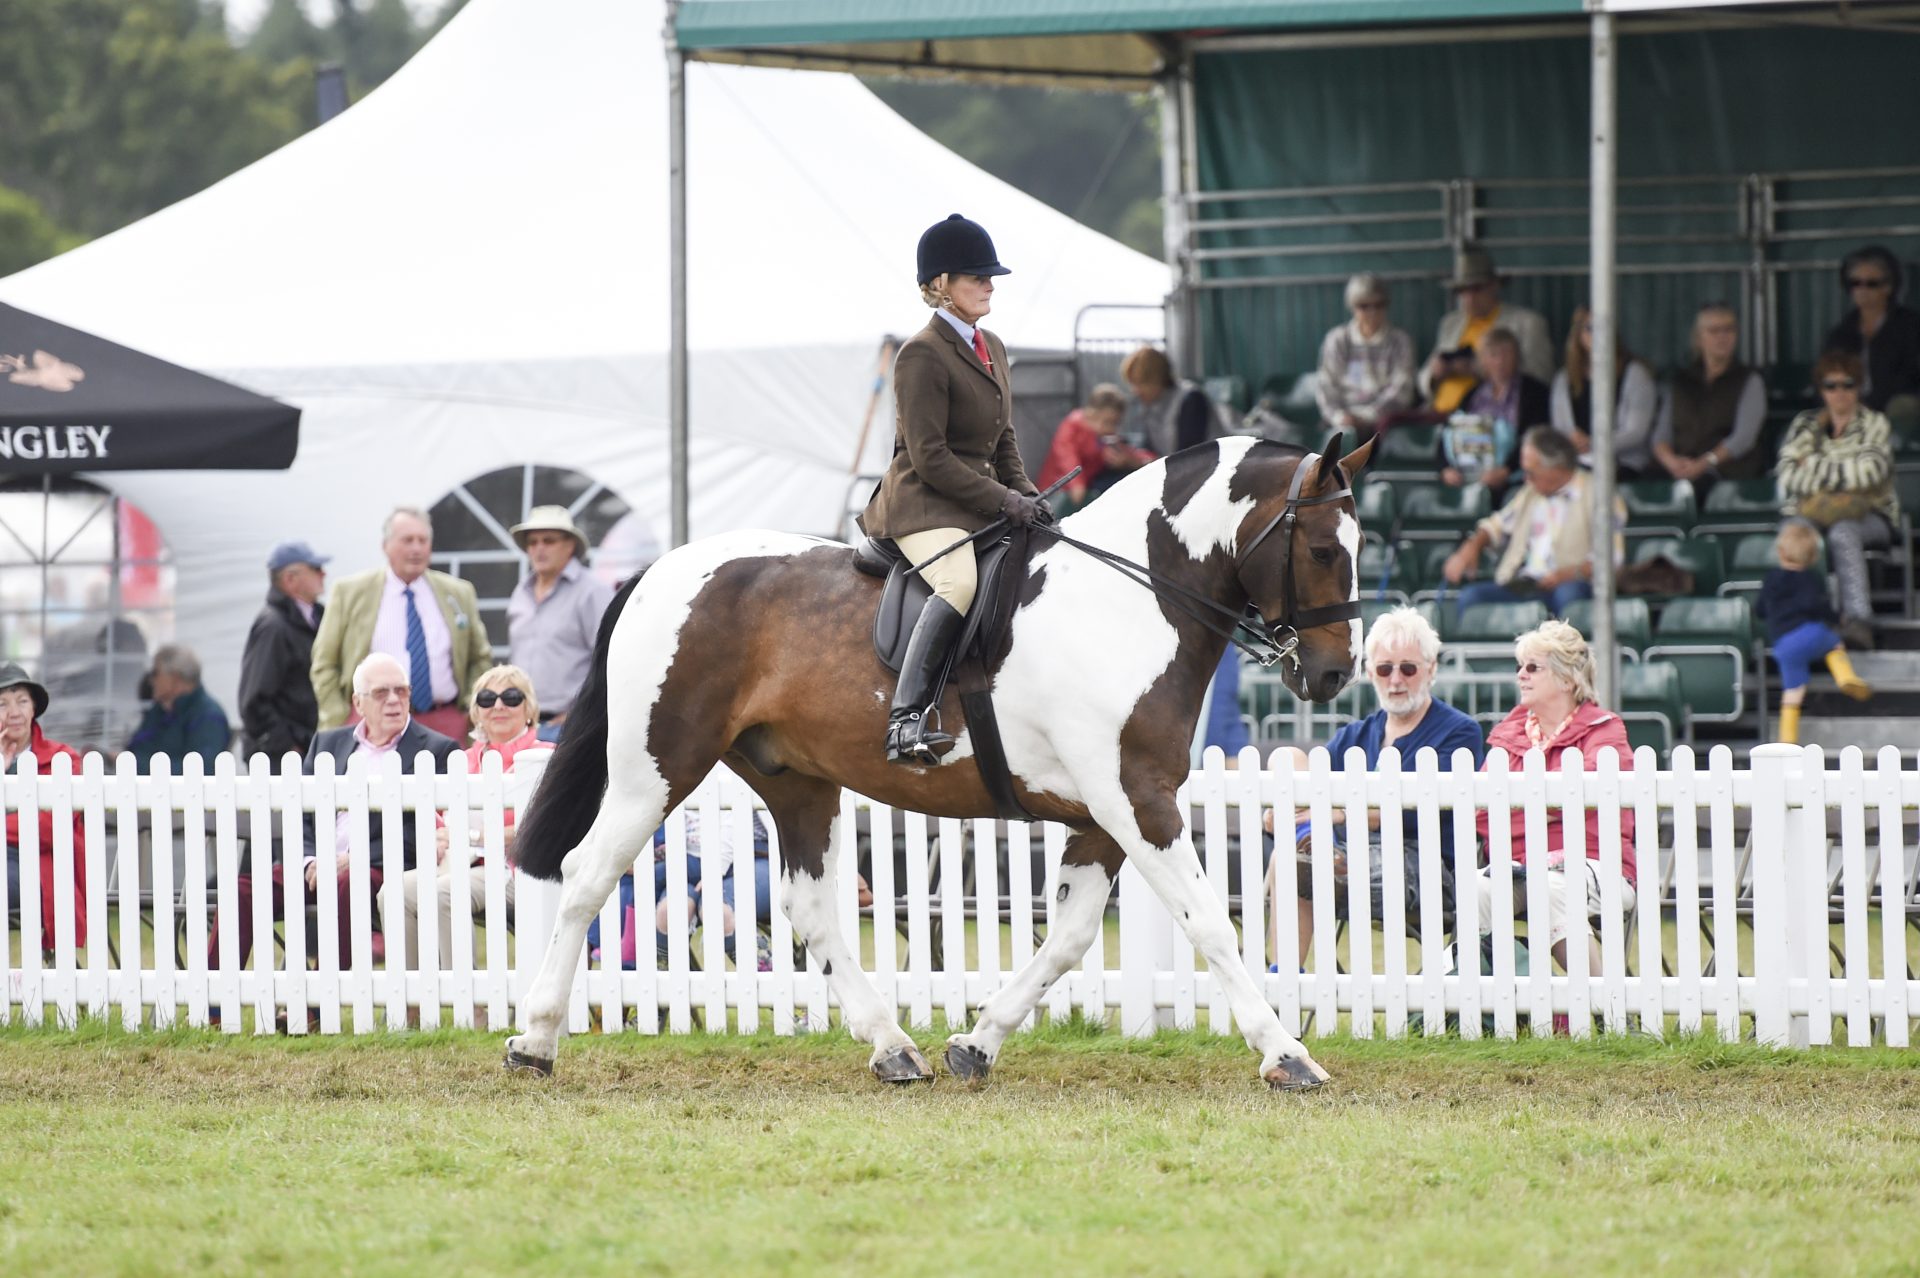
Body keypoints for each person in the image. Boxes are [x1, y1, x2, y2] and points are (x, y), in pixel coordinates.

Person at [858, 213, 1047, 764]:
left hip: (977, 501)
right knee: (959, 582)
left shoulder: (993, 346)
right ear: (941, 284)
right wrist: (1003, 499)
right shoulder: (921, 353)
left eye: (990, 277)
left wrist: (1029, 495)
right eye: (976, 277)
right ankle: (906, 719)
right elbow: (930, 457)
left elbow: (1003, 438)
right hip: (924, 502)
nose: (989, 285)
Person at [1261, 608, 1485, 967]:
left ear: (1431, 670)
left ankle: (1282, 974)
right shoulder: (1355, 735)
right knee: (1287, 758)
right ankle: (1284, 975)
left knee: (1292, 860)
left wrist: (1332, 812)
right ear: (1369, 673)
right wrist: (1283, 811)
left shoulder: (1460, 732)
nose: (1396, 680)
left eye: (1408, 668)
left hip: (1422, 865)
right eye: (1384, 669)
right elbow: (1313, 786)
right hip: (1344, 854)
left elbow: (1414, 810)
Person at [214, 652, 461, 974]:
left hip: (380, 867)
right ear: (358, 703)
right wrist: (311, 860)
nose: (393, 700)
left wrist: (354, 858)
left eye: (401, 691)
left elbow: (419, 833)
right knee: (243, 889)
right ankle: (213, 995)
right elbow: (298, 814)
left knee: (349, 883)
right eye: (381, 692)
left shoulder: (437, 750)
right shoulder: (327, 744)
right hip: (316, 865)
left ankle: (321, 995)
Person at [1470, 620, 1636, 980]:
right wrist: (1551, 810)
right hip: (1516, 866)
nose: (1521, 675)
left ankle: (1600, 1000)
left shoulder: (1605, 730)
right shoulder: (1507, 736)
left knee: (1552, 887)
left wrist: (1519, 806)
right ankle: (1499, 1002)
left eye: (1533, 667)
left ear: (1566, 679)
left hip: (1597, 866)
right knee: (1476, 888)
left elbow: (1591, 796)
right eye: (1519, 666)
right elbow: (1483, 813)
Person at [378, 663, 539, 975]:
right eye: (487, 699)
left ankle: (465, 998)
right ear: (476, 711)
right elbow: (439, 820)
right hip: (459, 865)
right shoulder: (462, 761)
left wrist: (478, 836)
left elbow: (542, 828)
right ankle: (412, 997)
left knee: (447, 891)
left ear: (529, 708)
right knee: (394, 892)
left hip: (521, 872)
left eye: (511, 697)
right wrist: (439, 837)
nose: (499, 706)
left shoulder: (544, 755)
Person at [310, 506, 494, 741]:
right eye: (407, 540)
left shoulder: (458, 593)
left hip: (445, 722)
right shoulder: (350, 592)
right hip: (372, 724)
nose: (416, 548)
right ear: (385, 545)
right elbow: (324, 663)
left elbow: (479, 658)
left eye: (423, 540)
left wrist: (470, 707)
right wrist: (338, 716)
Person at [1776, 349, 1898, 651]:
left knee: (1843, 533)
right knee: (1794, 533)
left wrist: (1814, 467)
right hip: (1812, 514)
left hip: (1870, 515)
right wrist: (1843, 472)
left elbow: (1869, 474)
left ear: (1859, 387)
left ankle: (1858, 622)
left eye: (1848, 384)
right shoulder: (1804, 425)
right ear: (1821, 390)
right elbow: (1788, 474)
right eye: (1831, 385)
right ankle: (1802, 620)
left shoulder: (1874, 423)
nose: (1839, 392)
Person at [1442, 425, 1625, 619]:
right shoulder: (1530, 493)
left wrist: (1569, 574)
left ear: (1555, 468)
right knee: (1472, 598)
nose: (1526, 479)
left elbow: (1611, 557)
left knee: (1568, 595)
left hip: (1572, 585)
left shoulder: (1599, 493)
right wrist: (1470, 547)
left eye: (1531, 472)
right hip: (1526, 584)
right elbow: (1496, 525)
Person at [504, 506, 614, 743]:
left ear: (570, 545)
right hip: (520, 726)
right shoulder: (521, 591)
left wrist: (578, 712)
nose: (539, 548)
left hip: (573, 727)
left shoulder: (592, 591)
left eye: (549, 540)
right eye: (532, 542)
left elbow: (610, 660)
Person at [0, 664, 87, 952]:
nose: (14, 712)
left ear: (33, 708)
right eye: (3, 704)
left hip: (40, 866)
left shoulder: (63, 758)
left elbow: (49, 828)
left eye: (22, 701)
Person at [1761, 523, 1871, 744]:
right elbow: (1819, 607)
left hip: (1783, 645)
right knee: (1835, 644)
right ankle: (1845, 677)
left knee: (1793, 692)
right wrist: (1838, 618)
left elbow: (1760, 609)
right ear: (1813, 557)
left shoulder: (1771, 579)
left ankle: (1786, 740)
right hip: (1811, 633)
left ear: (1780, 552)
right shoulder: (1811, 579)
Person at [1651, 303, 1769, 499]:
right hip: (1679, 466)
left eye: (1729, 330)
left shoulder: (1750, 380)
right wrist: (1671, 462)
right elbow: (1661, 435)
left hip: (1726, 471)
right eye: (1714, 331)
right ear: (1698, 338)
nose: (1722, 337)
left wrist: (1704, 463)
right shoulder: (1680, 381)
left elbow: (1744, 437)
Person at [1418, 247, 1553, 415]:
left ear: (1494, 286)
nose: (1470, 298)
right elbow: (1423, 377)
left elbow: (1540, 377)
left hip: (1493, 414)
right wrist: (1435, 374)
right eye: (1462, 290)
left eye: (1476, 289)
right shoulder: (1450, 324)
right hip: (1438, 414)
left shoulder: (1527, 323)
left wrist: (1481, 369)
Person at [237, 540, 329, 760]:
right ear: (290, 579)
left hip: (309, 746)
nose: (323, 574)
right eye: (315, 568)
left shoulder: (317, 618)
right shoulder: (273, 627)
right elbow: (254, 701)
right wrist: (287, 746)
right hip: (283, 757)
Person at [1436, 326, 1550, 499]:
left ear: (1517, 356)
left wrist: (1506, 470)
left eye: (1507, 354)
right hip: (1469, 479)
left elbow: (1536, 436)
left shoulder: (1535, 392)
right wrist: (1446, 469)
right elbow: (1447, 434)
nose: (1500, 361)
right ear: (1483, 360)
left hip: (1516, 480)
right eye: (1493, 355)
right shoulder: (1472, 395)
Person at [1550, 306, 1659, 479]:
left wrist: (1593, 443)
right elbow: (1560, 429)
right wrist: (1573, 441)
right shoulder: (1564, 378)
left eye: (1603, 328)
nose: (1598, 335)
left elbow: (1636, 432)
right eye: (1590, 329)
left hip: (1624, 463)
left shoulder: (1635, 373)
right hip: (1578, 462)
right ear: (1579, 334)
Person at [1823, 245, 1920, 439]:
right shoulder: (1841, 333)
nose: (1862, 290)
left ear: (1888, 287)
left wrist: (1872, 404)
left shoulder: (1911, 326)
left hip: (1896, 410)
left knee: (1903, 407)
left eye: (1871, 283)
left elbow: (1911, 376)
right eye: (1855, 283)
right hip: (1851, 408)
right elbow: (1827, 375)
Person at [1315, 273, 1416, 435]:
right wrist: (1339, 417)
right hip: (1342, 421)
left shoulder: (1400, 342)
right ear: (1352, 307)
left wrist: (1368, 416)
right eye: (1363, 306)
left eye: (1379, 305)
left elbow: (1402, 390)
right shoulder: (1338, 340)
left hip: (1382, 422)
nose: (1372, 312)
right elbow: (1326, 385)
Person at [1037, 383, 1147, 512]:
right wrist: (1077, 484)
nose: (1110, 428)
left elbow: (1129, 452)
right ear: (1092, 414)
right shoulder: (1073, 424)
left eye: (1115, 423)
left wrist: (1136, 461)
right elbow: (1066, 455)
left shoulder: (1106, 437)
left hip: (1088, 487)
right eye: (1107, 422)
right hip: (1060, 489)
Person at [125, 644, 230, 772]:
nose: (151, 680)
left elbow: (202, 770)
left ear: (174, 678)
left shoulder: (208, 717)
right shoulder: (160, 711)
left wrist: (141, 766)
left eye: (155, 673)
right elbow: (137, 746)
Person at [1119, 344, 1217, 457]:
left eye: (1141, 383)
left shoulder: (1191, 399)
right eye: (1133, 384)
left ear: (1158, 378)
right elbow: (1149, 449)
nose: (1136, 391)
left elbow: (1188, 456)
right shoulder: (1151, 405)